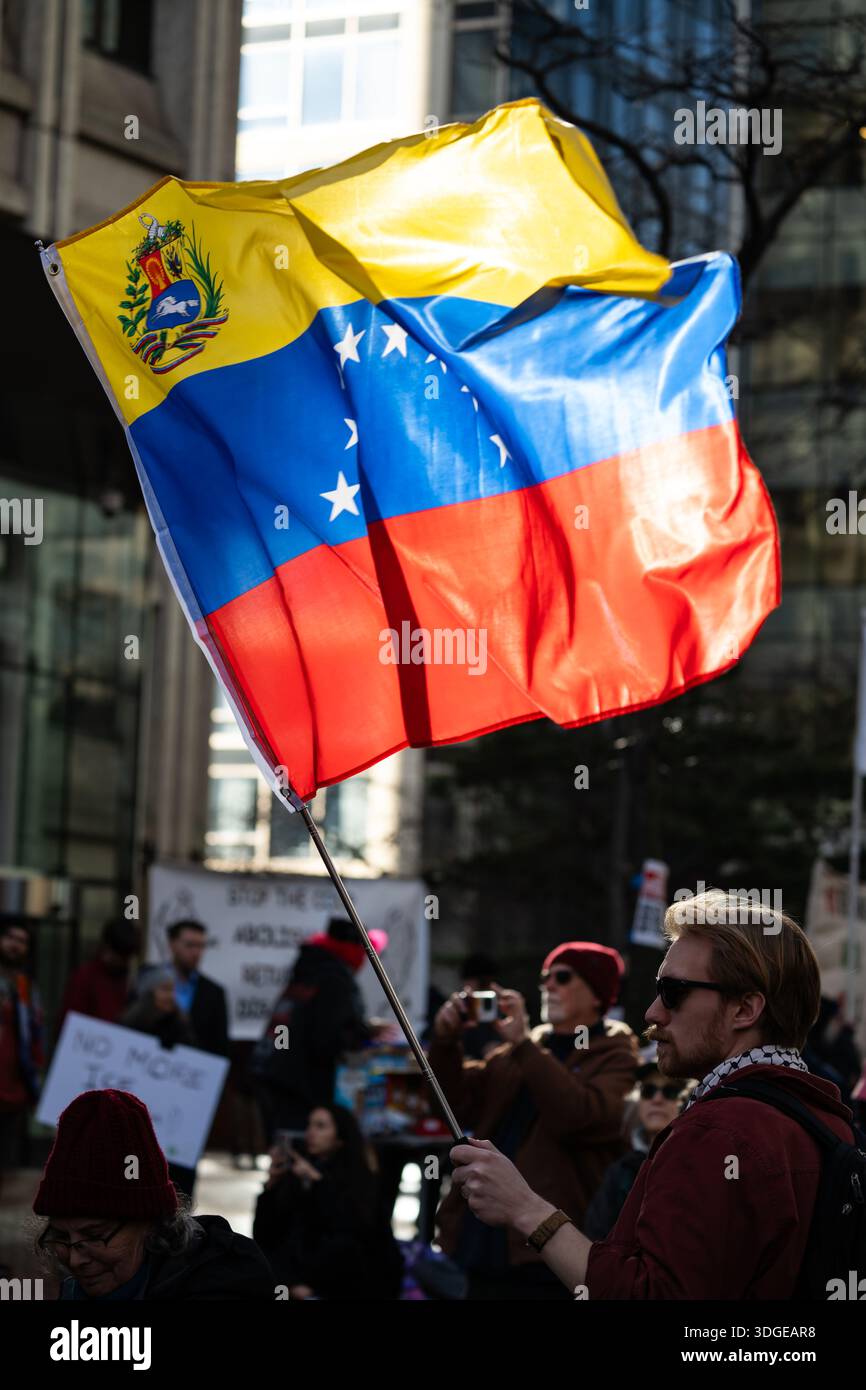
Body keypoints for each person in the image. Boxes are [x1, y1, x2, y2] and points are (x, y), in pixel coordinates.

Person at [448, 889, 857, 1300]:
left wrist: (526, 1209)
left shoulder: (718, 1130)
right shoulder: (823, 1116)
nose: (653, 1012)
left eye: (674, 991)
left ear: (744, 1010)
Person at [431, 941, 638, 1299]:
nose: (548, 986)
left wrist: (524, 1045)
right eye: (544, 978)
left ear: (597, 994)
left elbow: (580, 1116)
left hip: (548, 1248)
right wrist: (446, 1042)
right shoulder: (520, 1049)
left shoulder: (615, 1054)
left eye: (562, 977)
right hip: (482, 1242)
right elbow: (455, 1104)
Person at [33, 1089, 272, 1300]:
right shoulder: (78, 1291)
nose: (75, 1260)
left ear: (151, 1222)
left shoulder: (225, 1283)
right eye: (61, 1236)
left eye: (95, 1235)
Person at [250, 918, 385, 1142]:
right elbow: (328, 1037)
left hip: (278, 1075)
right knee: (300, 1152)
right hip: (302, 1085)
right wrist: (363, 1034)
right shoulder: (334, 979)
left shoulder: (311, 968)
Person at [252, 1102, 400, 1299]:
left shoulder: (358, 1176)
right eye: (310, 1125)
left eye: (320, 1126)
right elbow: (264, 1234)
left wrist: (317, 1182)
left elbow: (354, 1229)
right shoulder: (298, 1170)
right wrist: (272, 1183)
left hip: (349, 1277)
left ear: (340, 1138)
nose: (310, 1133)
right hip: (299, 1274)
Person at [583, 1046, 690, 1240]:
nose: (657, 1099)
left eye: (670, 1091)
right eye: (648, 1091)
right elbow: (598, 1238)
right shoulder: (619, 1170)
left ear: (685, 1101)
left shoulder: (698, 1162)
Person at [0, 918, 43, 1197]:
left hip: (12, 1091)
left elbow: (35, 1036)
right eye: (11, 938)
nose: (16, 945)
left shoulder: (26, 988)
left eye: (23, 941)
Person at [57, 919, 139, 1033]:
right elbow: (69, 1023)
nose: (124, 962)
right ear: (107, 949)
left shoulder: (129, 981)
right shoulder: (85, 977)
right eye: (120, 956)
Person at [163, 919, 230, 1059]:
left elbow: (220, 1046)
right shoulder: (150, 980)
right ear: (172, 945)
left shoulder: (214, 993)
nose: (196, 952)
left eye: (200, 946)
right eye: (190, 945)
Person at [121, 972, 196, 1050]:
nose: (171, 996)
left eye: (173, 990)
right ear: (150, 993)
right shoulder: (132, 1021)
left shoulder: (181, 1025)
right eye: (165, 989)